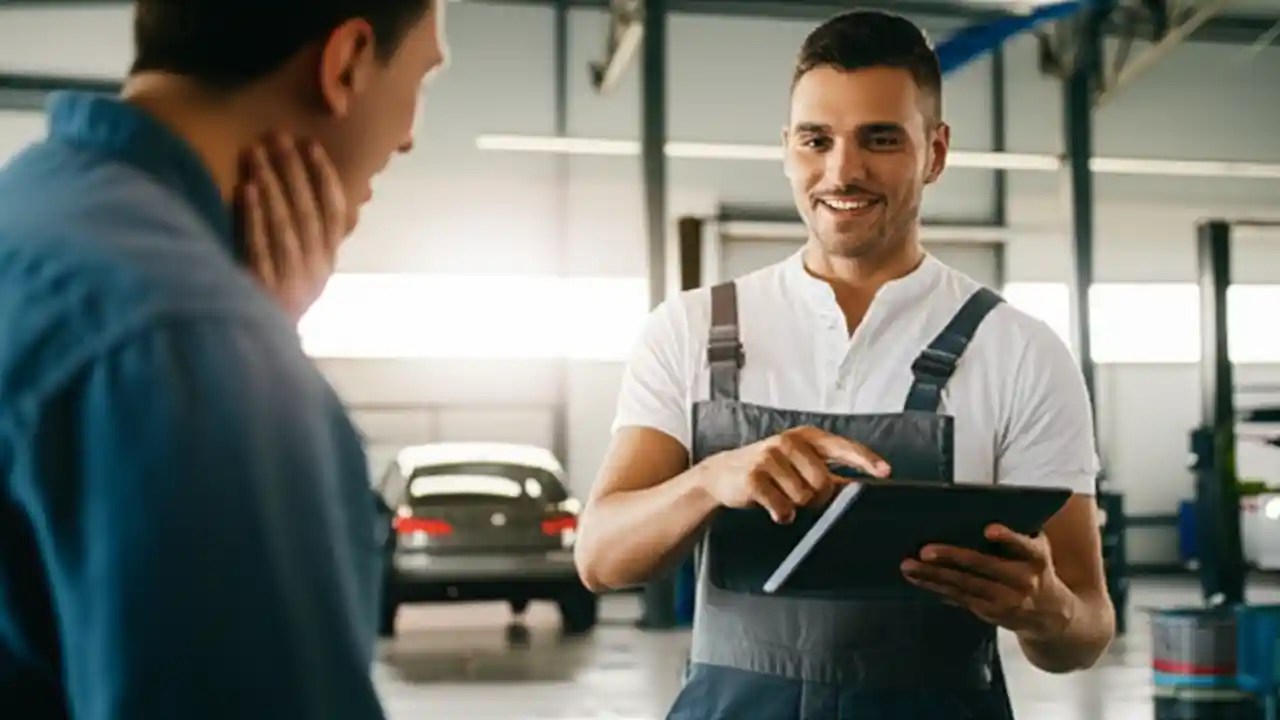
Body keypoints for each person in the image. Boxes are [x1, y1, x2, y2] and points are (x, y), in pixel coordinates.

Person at [575, 10, 1115, 720]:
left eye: (880, 139)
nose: (842, 171)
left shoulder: (1020, 353)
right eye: (815, 140)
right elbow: (600, 559)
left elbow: (1086, 628)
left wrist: (1044, 610)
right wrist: (712, 478)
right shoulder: (691, 331)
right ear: (788, 149)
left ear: (936, 152)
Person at [0, 1, 446, 718]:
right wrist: (255, 361)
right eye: (422, 78)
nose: (408, 140)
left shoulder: (29, 215)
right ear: (346, 64)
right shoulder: (192, 349)